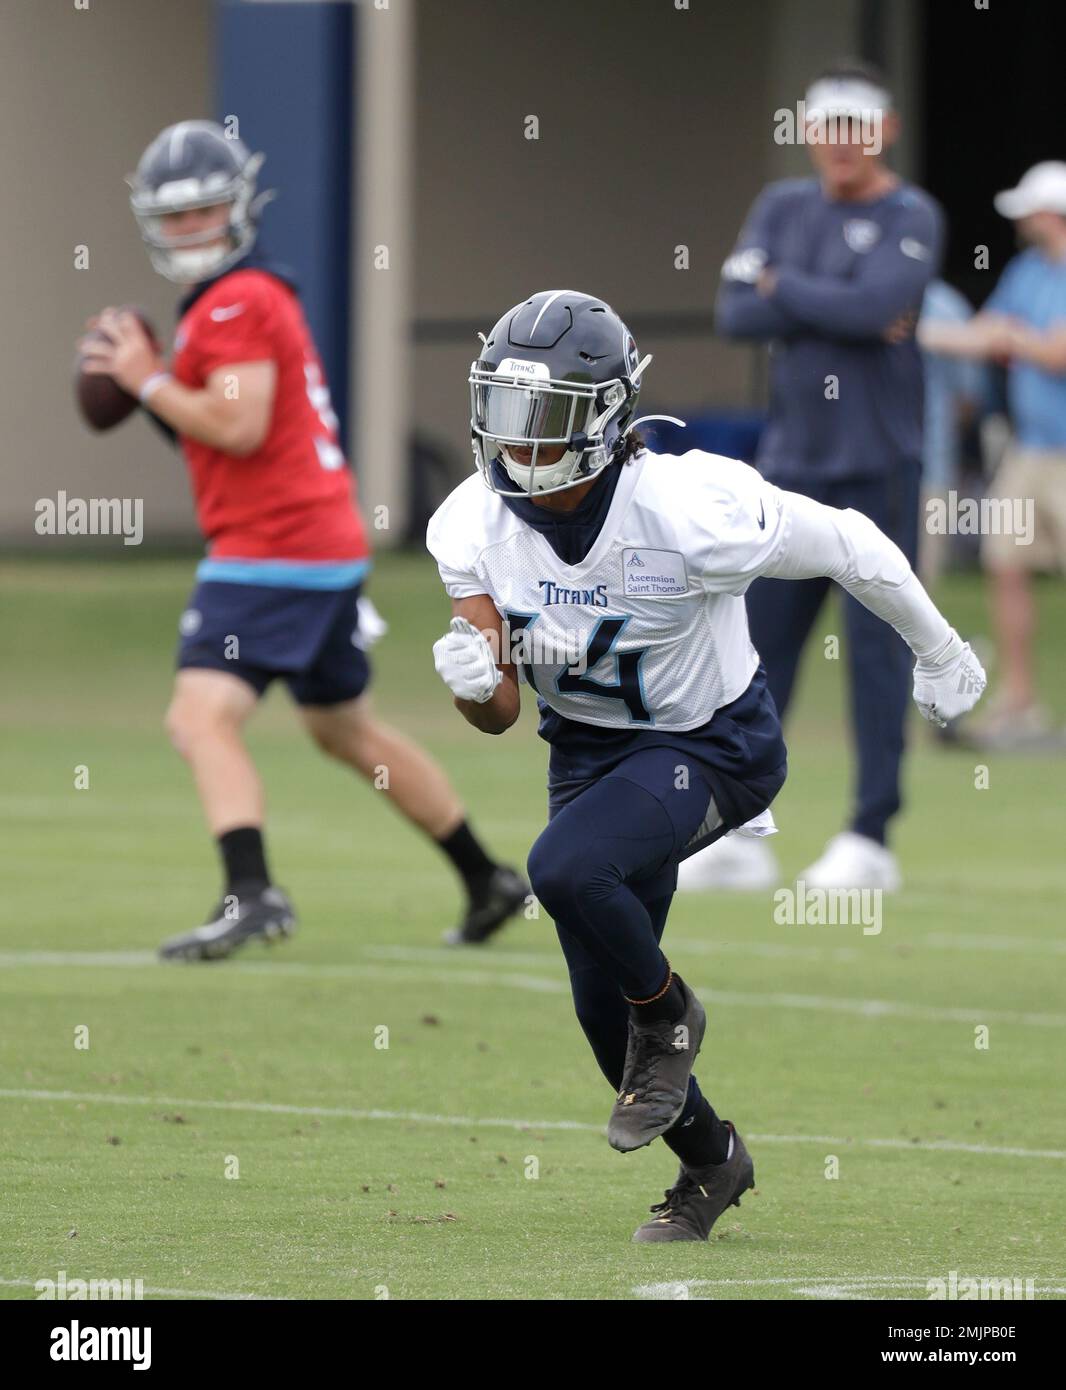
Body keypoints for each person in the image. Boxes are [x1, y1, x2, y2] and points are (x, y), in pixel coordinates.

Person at [426, 289, 985, 1242]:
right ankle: (713, 1162)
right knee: (603, 1019)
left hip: (710, 744)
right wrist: (475, 679)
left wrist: (940, 650)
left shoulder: (690, 507)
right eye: (506, 412)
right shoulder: (470, 524)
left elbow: (851, 544)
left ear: (604, 417)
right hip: (589, 753)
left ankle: (672, 1007)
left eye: (546, 415)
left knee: (564, 871)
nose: (519, 442)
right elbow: (500, 715)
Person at [79, 120, 527, 960]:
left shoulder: (237, 298)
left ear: (240, 206)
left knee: (198, 715)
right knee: (345, 731)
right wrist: (160, 391)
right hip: (314, 542)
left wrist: (145, 380)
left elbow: (239, 425)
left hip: (274, 547)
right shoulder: (239, 299)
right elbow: (217, 432)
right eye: (174, 215)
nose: (190, 229)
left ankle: (250, 893)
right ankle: (486, 877)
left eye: (205, 209)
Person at [693, 60, 944, 894]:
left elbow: (879, 307)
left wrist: (785, 288)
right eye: (827, 126)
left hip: (877, 467)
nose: (841, 143)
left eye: (857, 126)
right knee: (755, 651)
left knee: (876, 654)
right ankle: (738, 828)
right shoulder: (782, 206)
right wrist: (834, 302)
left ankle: (870, 837)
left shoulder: (913, 213)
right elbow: (735, 312)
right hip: (788, 470)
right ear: (808, 131)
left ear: (885, 130)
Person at [919, 161, 1066, 747]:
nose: (1020, 221)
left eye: (1029, 210)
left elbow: (1055, 354)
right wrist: (918, 334)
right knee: (1004, 562)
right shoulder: (1028, 270)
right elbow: (986, 332)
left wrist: (1017, 340)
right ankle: (1019, 700)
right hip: (1030, 450)